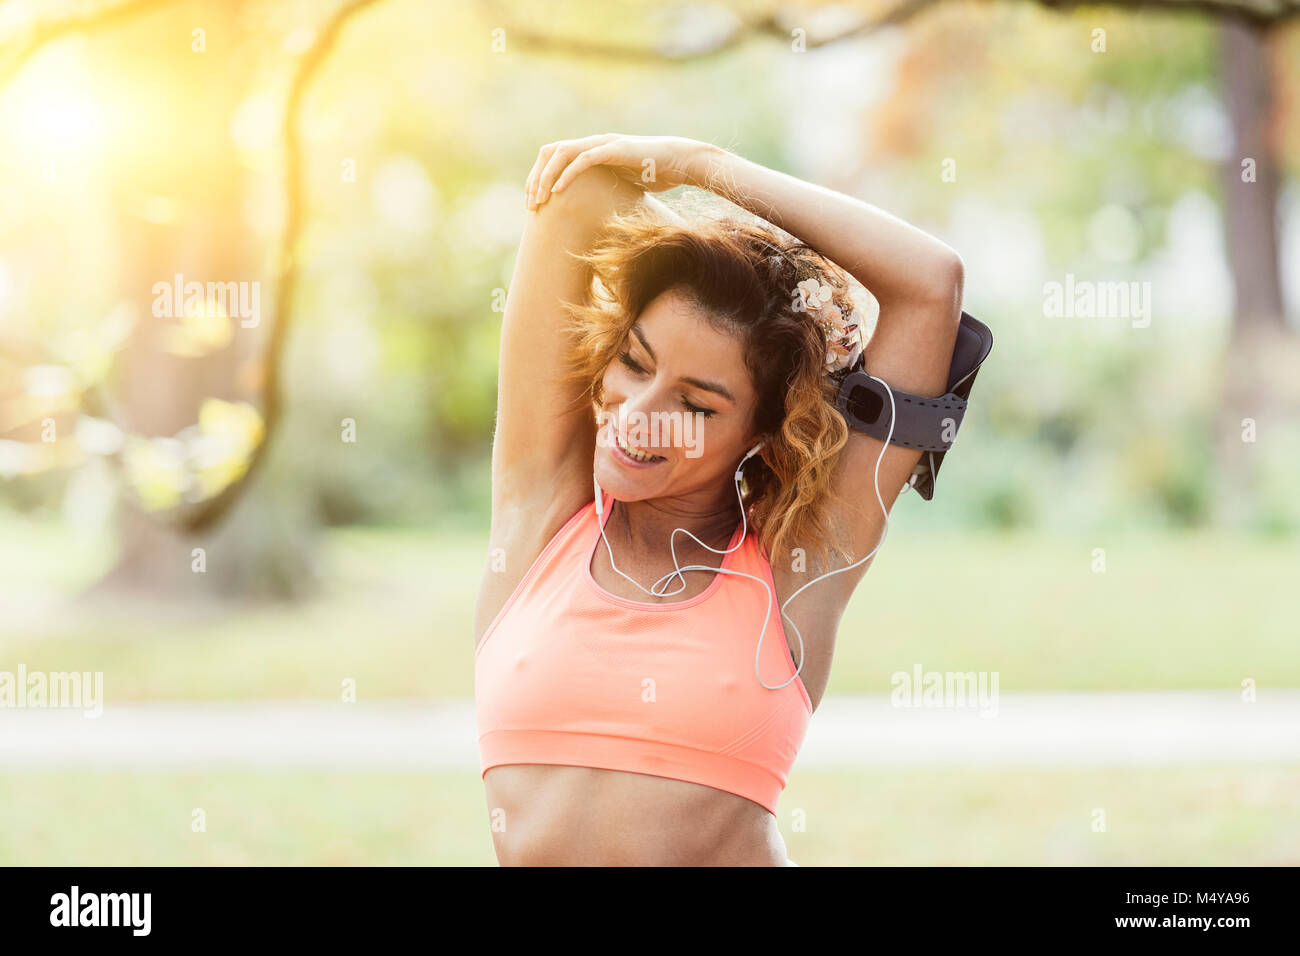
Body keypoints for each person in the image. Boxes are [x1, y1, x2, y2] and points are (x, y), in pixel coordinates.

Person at [473, 134, 966, 866]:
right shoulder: (538, 516)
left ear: (764, 431)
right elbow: (579, 196)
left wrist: (701, 165)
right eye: (633, 362)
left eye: (698, 405)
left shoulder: (800, 568)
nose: (637, 416)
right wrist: (738, 268)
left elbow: (931, 283)